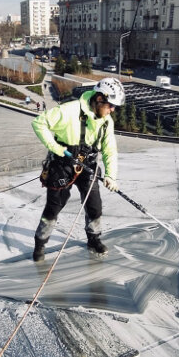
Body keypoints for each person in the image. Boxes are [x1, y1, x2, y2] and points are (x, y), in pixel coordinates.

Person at [31, 77, 125, 262]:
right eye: (110, 105)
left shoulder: (106, 121)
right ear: (99, 99)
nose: (112, 110)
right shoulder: (68, 111)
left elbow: (109, 150)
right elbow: (39, 123)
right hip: (62, 164)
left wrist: (111, 176)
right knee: (54, 207)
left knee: (94, 205)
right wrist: (55, 147)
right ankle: (40, 243)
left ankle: (94, 238)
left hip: (88, 164)